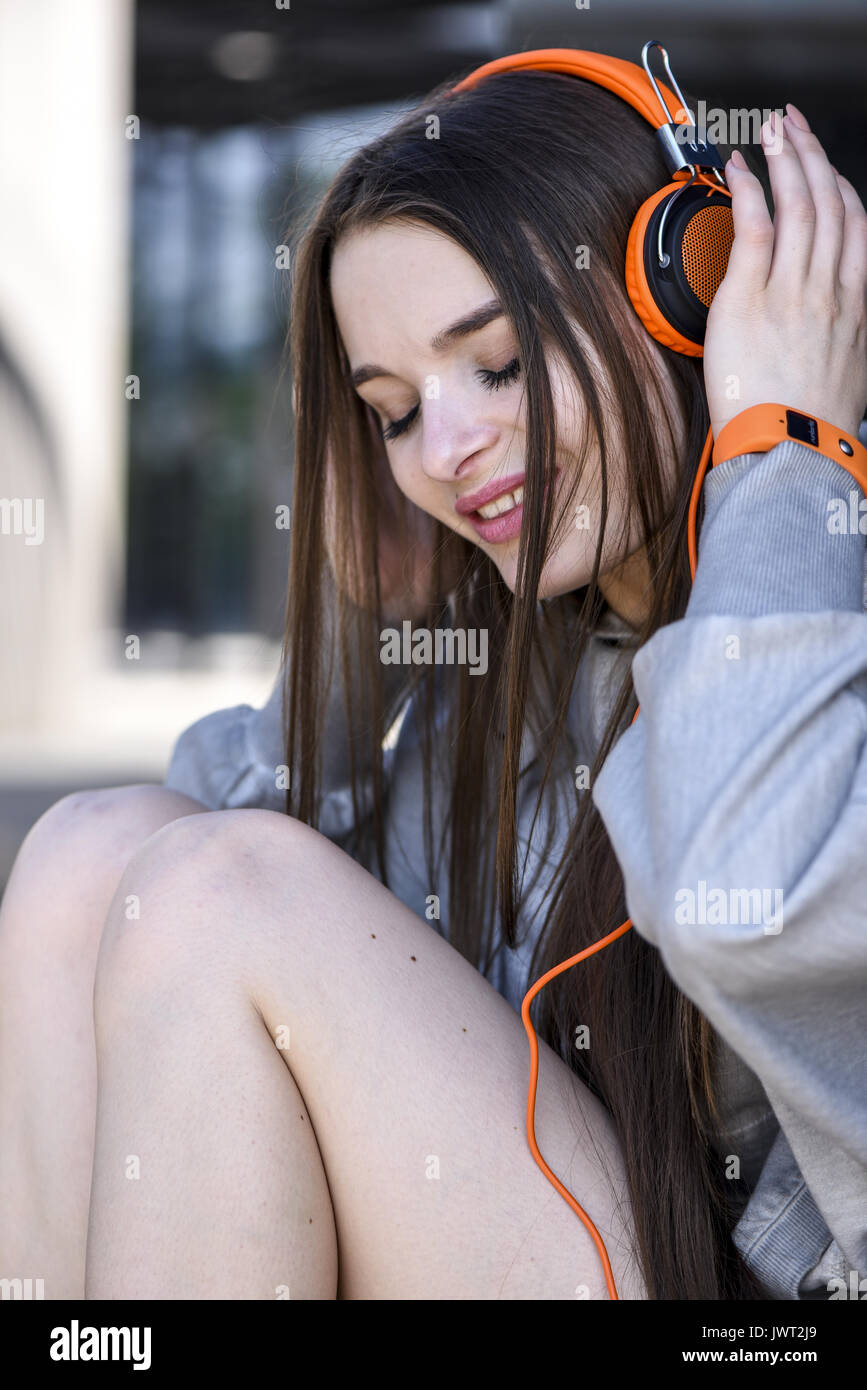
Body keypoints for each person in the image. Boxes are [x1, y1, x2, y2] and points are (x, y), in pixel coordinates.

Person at [1, 64, 865, 1302]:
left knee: (212, 888)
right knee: (97, 853)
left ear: (698, 297)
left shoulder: (831, 586)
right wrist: (360, 625)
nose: (446, 454)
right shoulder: (521, 665)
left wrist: (781, 448)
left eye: (499, 365)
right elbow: (210, 1004)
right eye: (395, 412)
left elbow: (751, 900)